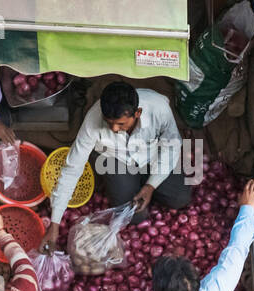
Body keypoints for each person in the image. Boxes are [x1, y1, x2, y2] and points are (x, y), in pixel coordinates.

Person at [38, 81, 191, 251]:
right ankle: (130, 185)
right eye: (108, 122)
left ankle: (142, 185)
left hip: (151, 156)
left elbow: (172, 146)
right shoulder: (92, 121)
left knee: (180, 198)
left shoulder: (158, 108)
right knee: (135, 218)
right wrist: (55, 223)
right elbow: (72, 167)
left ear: (137, 113)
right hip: (115, 159)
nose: (114, 129)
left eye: (120, 124)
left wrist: (150, 186)